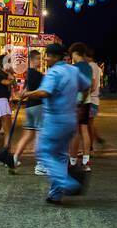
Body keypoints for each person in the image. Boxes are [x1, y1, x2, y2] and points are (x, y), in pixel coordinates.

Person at [16, 43, 91, 203]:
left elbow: (45, 92)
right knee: (61, 156)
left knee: (43, 152)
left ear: (56, 57)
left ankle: (68, 184)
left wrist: (27, 93)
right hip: (70, 119)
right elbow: (87, 86)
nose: (45, 58)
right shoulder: (73, 70)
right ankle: (55, 195)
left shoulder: (54, 72)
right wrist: (80, 103)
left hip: (54, 120)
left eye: (48, 55)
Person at [0, 52, 43, 172]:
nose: (40, 61)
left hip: (29, 107)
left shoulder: (29, 74)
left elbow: (24, 91)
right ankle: (40, 165)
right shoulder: (37, 75)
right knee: (40, 135)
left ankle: (15, 159)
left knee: (28, 135)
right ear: (32, 60)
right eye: (38, 59)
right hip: (38, 107)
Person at [69, 43, 97, 172]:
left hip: (76, 102)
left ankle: (73, 162)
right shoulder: (89, 67)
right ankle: (86, 162)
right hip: (86, 102)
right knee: (84, 131)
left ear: (75, 53)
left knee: (75, 133)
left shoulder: (74, 68)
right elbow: (92, 86)